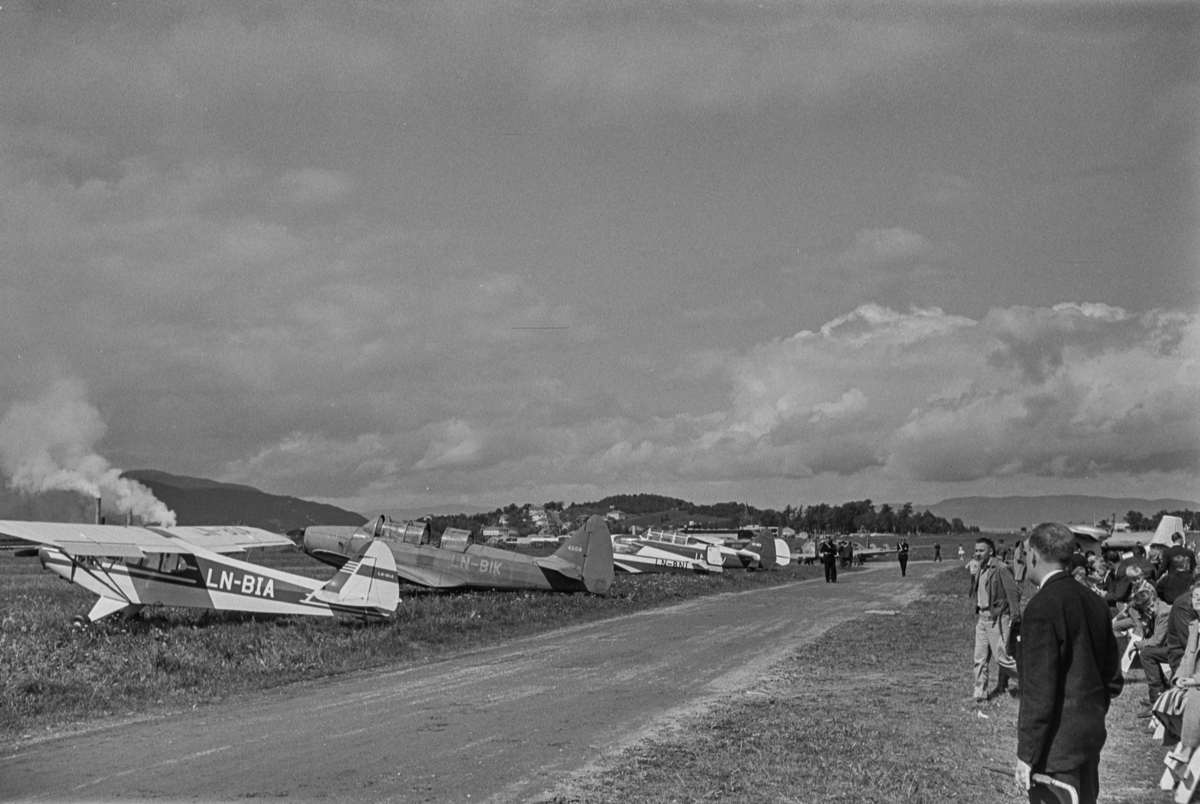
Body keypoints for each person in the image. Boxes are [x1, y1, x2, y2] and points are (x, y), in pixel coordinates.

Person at [1016, 523, 1123, 804]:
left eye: (1026, 552)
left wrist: (1027, 755)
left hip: (1055, 751)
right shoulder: (1095, 602)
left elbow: (1038, 693)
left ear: (1035, 556)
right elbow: (1113, 680)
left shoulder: (1041, 608)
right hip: (1088, 741)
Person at [969, 537, 1020, 702]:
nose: (977, 553)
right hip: (982, 618)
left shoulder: (1001, 568)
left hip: (997, 617)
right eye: (976, 550)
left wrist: (1014, 615)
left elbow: (1014, 592)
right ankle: (980, 693)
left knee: (1001, 658)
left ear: (990, 551)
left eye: (981, 550)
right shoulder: (979, 567)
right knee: (980, 657)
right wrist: (972, 575)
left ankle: (1030, 681)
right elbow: (976, 590)